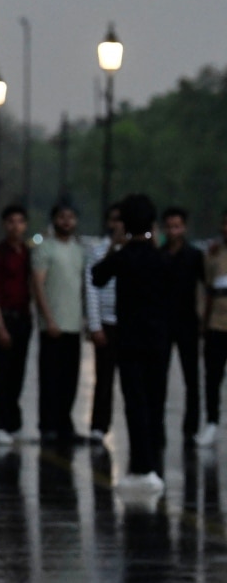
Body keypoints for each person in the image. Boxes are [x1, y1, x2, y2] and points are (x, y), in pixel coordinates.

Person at [92, 194, 168, 491]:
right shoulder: (159, 258)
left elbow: (97, 275)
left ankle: (141, 466)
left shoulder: (123, 256)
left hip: (129, 340)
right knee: (155, 401)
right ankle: (155, 463)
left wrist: (116, 244)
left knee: (134, 402)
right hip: (158, 339)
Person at [32, 204, 86, 444]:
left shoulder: (79, 251)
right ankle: (48, 424)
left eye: (70, 217)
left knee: (70, 379)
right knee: (50, 378)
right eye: (62, 217)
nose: (66, 221)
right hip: (52, 325)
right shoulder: (44, 249)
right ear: (54, 220)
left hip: (73, 324)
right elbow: (38, 285)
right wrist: (48, 318)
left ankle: (65, 423)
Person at [0, 205, 33, 445]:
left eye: (20, 221)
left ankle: (14, 422)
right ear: (5, 224)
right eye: (11, 221)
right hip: (3, 317)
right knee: (0, 373)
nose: (16, 226)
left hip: (23, 317)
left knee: (17, 373)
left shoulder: (27, 253)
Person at [160, 206, 205, 447]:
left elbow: (205, 287)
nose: (173, 231)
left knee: (191, 378)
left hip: (187, 322)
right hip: (164, 323)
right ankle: (158, 426)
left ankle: (191, 427)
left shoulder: (194, 255)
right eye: (169, 226)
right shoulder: (159, 255)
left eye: (177, 226)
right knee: (160, 377)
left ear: (184, 227)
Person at [85, 203, 125, 445]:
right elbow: (92, 287)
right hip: (107, 322)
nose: (118, 224)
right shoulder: (98, 250)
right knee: (104, 378)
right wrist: (95, 324)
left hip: (130, 324)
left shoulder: (137, 251)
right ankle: (99, 425)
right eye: (114, 219)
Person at [198, 209, 227, 446]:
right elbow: (206, 289)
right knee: (213, 376)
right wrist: (203, 322)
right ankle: (212, 421)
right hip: (217, 322)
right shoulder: (214, 254)